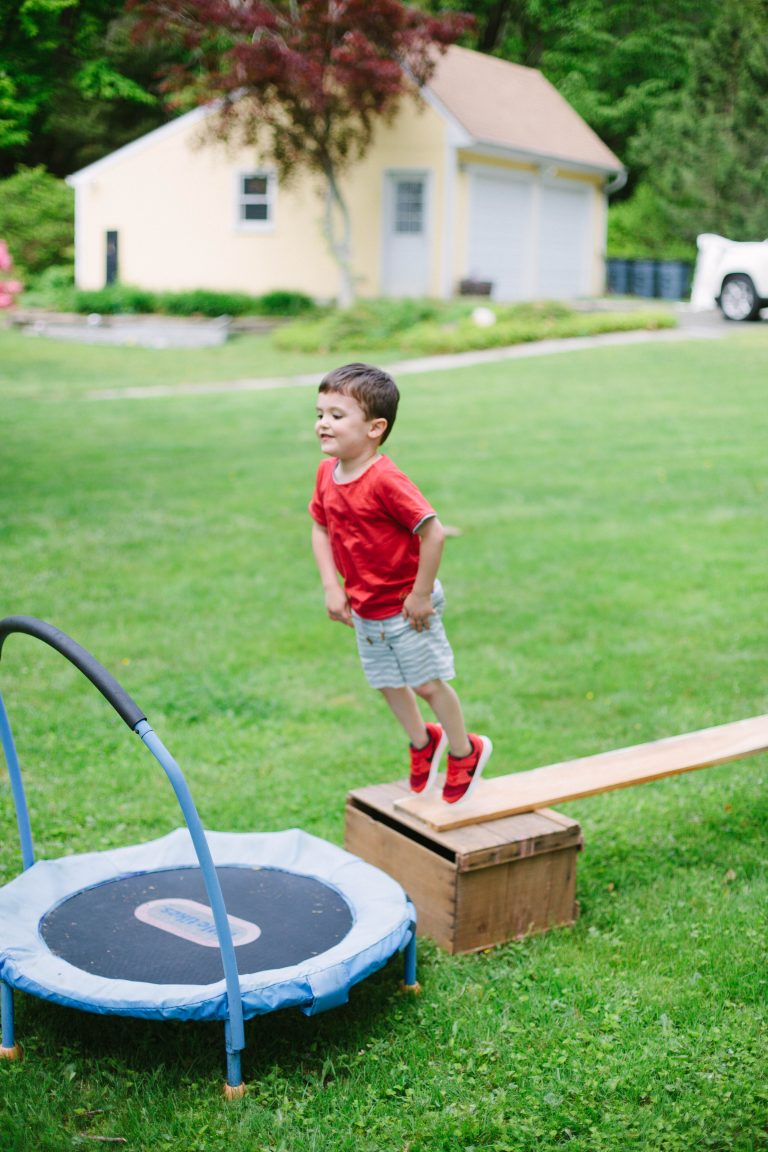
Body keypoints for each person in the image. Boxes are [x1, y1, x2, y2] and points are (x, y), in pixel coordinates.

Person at [309, 362, 492, 804]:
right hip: (365, 607)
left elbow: (431, 531)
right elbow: (320, 528)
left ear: (375, 428)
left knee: (427, 684)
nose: (322, 424)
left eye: (337, 415)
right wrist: (332, 587)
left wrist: (421, 594)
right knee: (387, 682)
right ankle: (422, 743)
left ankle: (466, 750)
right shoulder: (327, 473)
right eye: (319, 414)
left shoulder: (385, 480)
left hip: (407, 607)